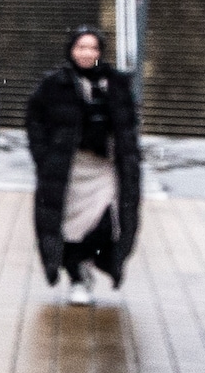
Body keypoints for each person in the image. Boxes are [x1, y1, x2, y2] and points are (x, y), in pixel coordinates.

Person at [26, 26, 141, 305]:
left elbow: (129, 124)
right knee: (66, 227)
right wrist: (44, 155)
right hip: (68, 170)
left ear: (100, 52)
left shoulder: (116, 83)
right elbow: (34, 120)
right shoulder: (55, 84)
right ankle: (78, 275)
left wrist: (128, 154)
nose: (87, 53)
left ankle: (88, 267)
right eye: (81, 47)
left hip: (105, 168)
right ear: (71, 50)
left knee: (104, 223)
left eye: (93, 48)